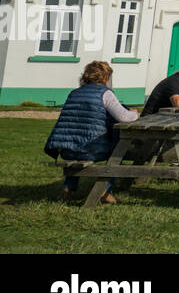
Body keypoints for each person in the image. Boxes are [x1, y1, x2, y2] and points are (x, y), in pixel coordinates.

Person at [44, 61, 139, 205]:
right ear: (106, 77)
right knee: (117, 150)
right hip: (91, 150)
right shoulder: (105, 93)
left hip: (66, 150)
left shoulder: (74, 93)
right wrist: (135, 114)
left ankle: (67, 189)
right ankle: (105, 191)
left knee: (77, 143)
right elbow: (124, 117)